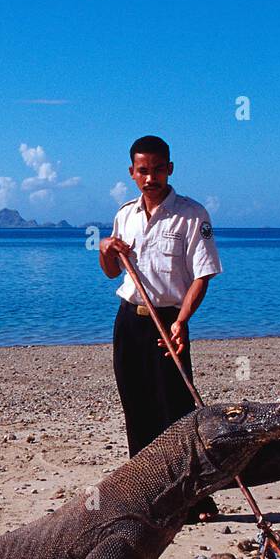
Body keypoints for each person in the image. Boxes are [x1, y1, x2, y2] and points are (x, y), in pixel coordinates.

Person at [98, 135, 222, 522]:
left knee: (178, 412)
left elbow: (202, 276)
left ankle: (196, 499)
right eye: (142, 170)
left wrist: (183, 321)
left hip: (168, 321)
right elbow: (112, 273)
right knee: (136, 409)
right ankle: (146, 498)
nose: (150, 177)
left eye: (157, 169)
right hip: (129, 321)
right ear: (132, 173)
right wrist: (105, 251)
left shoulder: (192, 215)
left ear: (169, 169)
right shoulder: (125, 214)